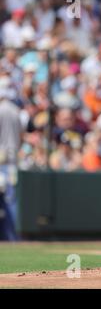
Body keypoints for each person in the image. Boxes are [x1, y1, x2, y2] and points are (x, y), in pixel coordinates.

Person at [0, 76, 22, 241]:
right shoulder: (15, 110)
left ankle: (9, 237)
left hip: (2, 160)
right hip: (13, 160)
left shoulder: (1, 109)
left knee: (8, 200)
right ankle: (13, 238)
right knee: (11, 199)